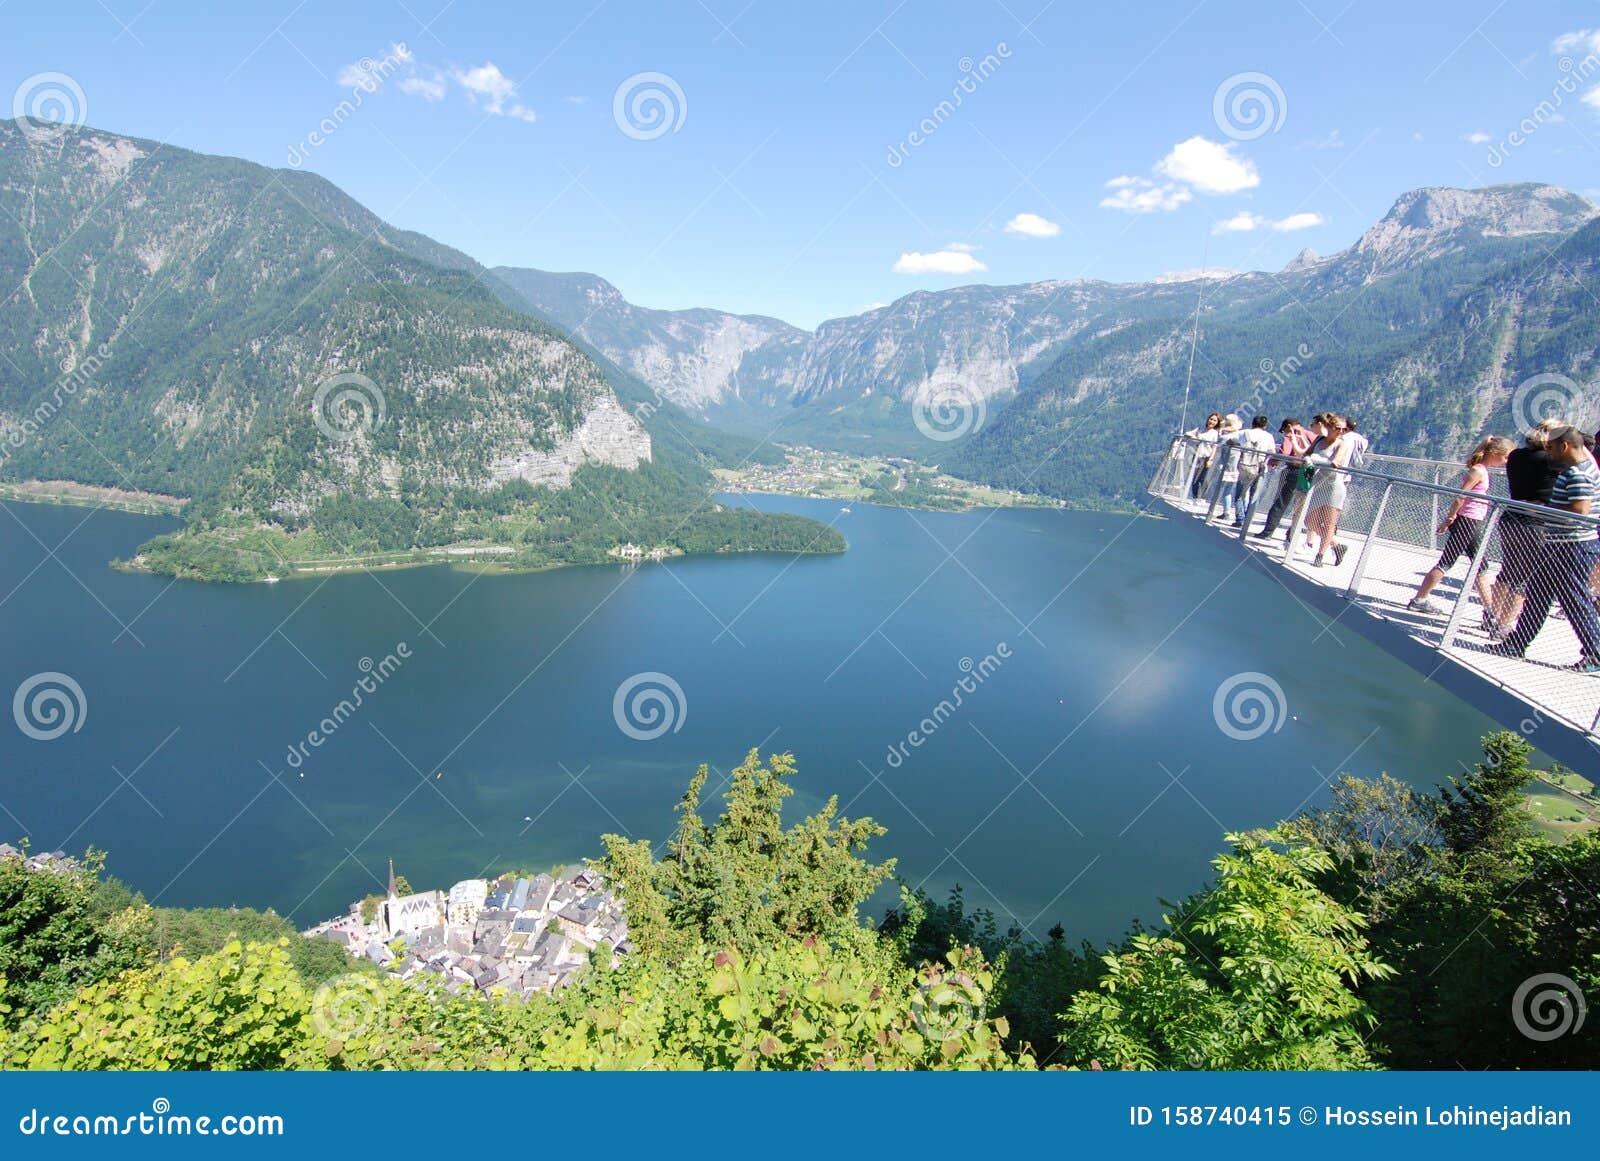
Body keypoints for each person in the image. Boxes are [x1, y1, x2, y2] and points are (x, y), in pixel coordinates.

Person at [1492, 425, 1600, 673]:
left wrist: (1540, 510)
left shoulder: (1577, 474)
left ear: (1564, 446)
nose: (1548, 453)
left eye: (1550, 448)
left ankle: (1595, 654)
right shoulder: (1586, 464)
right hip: (1559, 544)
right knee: (1538, 594)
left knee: (1574, 598)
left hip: (1572, 545)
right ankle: (1517, 644)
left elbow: (1580, 512)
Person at [1407, 436, 1513, 617]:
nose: (1506, 462)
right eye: (1505, 458)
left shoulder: (1482, 470)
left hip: (1472, 521)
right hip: (1467, 521)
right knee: (1448, 561)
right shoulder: (1478, 471)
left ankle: (1490, 611)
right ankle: (1420, 599)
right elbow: (1460, 496)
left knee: (1480, 565)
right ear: (1495, 454)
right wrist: (1450, 518)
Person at [1488, 419, 1565, 638]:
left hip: (1511, 517)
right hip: (1536, 522)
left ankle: (1492, 616)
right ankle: (1504, 626)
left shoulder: (1515, 456)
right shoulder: (1551, 461)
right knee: (1526, 577)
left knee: (1508, 569)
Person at [1302, 415, 1356, 566]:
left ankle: (1320, 556)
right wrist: (1307, 458)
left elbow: (1336, 463)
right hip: (1318, 484)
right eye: (1337, 428)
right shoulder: (1319, 440)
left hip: (1334, 486)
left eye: (1343, 429)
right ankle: (1337, 545)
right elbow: (1307, 453)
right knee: (1309, 521)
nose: (1340, 431)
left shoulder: (1342, 444)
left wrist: (1313, 460)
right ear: (1329, 427)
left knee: (1329, 523)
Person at [1251, 416, 1316, 539]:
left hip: (1294, 470)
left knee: (1281, 501)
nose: (1285, 434)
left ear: (1289, 426)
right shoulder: (1311, 435)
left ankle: (1268, 531)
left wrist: (1273, 460)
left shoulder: (1291, 435)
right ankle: (1292, 534)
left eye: (1284, 430)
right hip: (1309, 471)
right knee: (1301, 504)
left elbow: (1285, 452)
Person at [1225, 414, 1278, 526]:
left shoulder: (1245, 432)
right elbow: (1272, 452)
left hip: (1245, 466)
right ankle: (1248, 519)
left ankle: (1240, 519)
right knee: (1254, 495)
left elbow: (1229, 440)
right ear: (1265, 426)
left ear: (1253, 424)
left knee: (1240, 494)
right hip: (1261, 467)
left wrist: (1235, 444)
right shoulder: (1268, 436)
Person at [1210, 414, 1244, 517]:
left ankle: (1225, 512)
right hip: (1237, 467)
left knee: (1224, 490)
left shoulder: (1224, 437)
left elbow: (1217, 445)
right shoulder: (1241, 437)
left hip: (1226, 467)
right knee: (1238, 492)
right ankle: (1242, 514)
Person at [1185, 413, 1222, 499]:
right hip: (1197, 456)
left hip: (1206, 457)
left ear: (1217, 423)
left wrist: (1211, 459)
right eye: (1211, 419)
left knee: (1203, 478)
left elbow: (1214, 447)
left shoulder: (1214, 433)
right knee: (1195, 477)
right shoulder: (1201, 430)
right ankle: (1195, 496)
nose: (1211, 421)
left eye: (1214, 420)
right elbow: (1190, 435)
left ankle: (1201, 497)